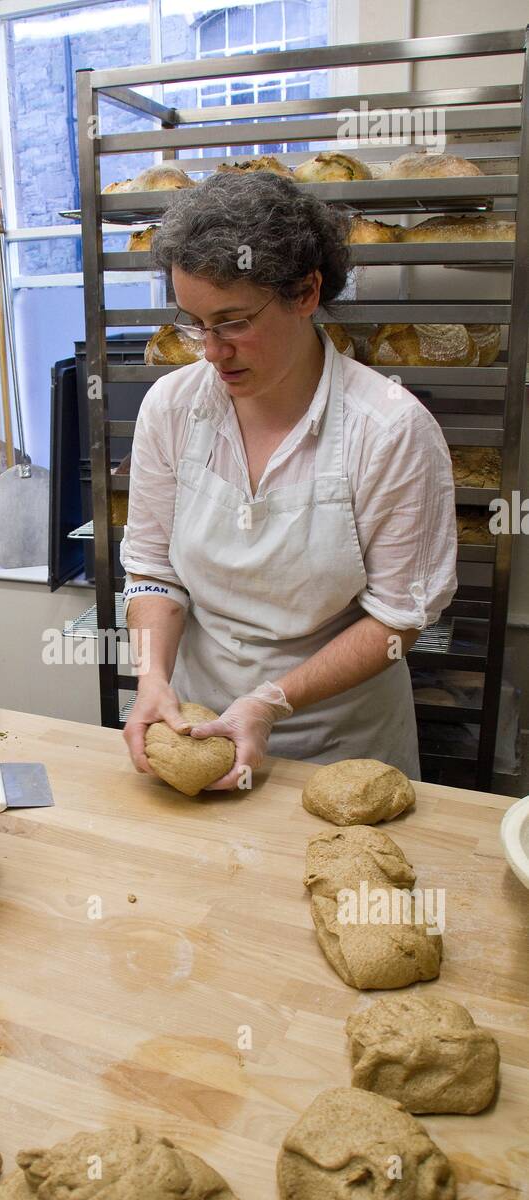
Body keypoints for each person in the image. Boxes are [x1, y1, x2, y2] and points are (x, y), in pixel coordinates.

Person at [121, 171, 457, 788]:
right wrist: (152, 680)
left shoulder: (388, 430)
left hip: (340, 747)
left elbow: (397, 619)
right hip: (197, 724)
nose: (211, 351)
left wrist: (266, 704)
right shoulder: (171, 408)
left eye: (233, 322)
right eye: (194, 323)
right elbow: (151, 570)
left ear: (306, 293)